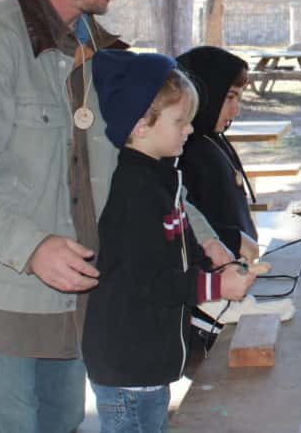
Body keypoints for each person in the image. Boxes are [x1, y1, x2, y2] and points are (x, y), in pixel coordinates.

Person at [0, 0, 228, 432]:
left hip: (71, 297)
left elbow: (135, 166)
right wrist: (32, 246)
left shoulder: (98, 54)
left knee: (63, 423)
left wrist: (201, 234)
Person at [83, 50, 254, 432]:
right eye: (180, 121)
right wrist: (215, 285)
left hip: (147, 361)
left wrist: (212, 260)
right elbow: (147, 282)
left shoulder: (161, 178)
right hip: (128, 365)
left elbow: (177, 252)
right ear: (140, 125)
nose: (190, 130)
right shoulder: (135, 193)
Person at [177, 46, 260, 263]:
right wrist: (233, 239)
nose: (236, 109)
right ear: (206, 92)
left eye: (238, 97)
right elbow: (182, 220)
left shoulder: (213, 140)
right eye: (230, 97)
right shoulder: (181, 152)